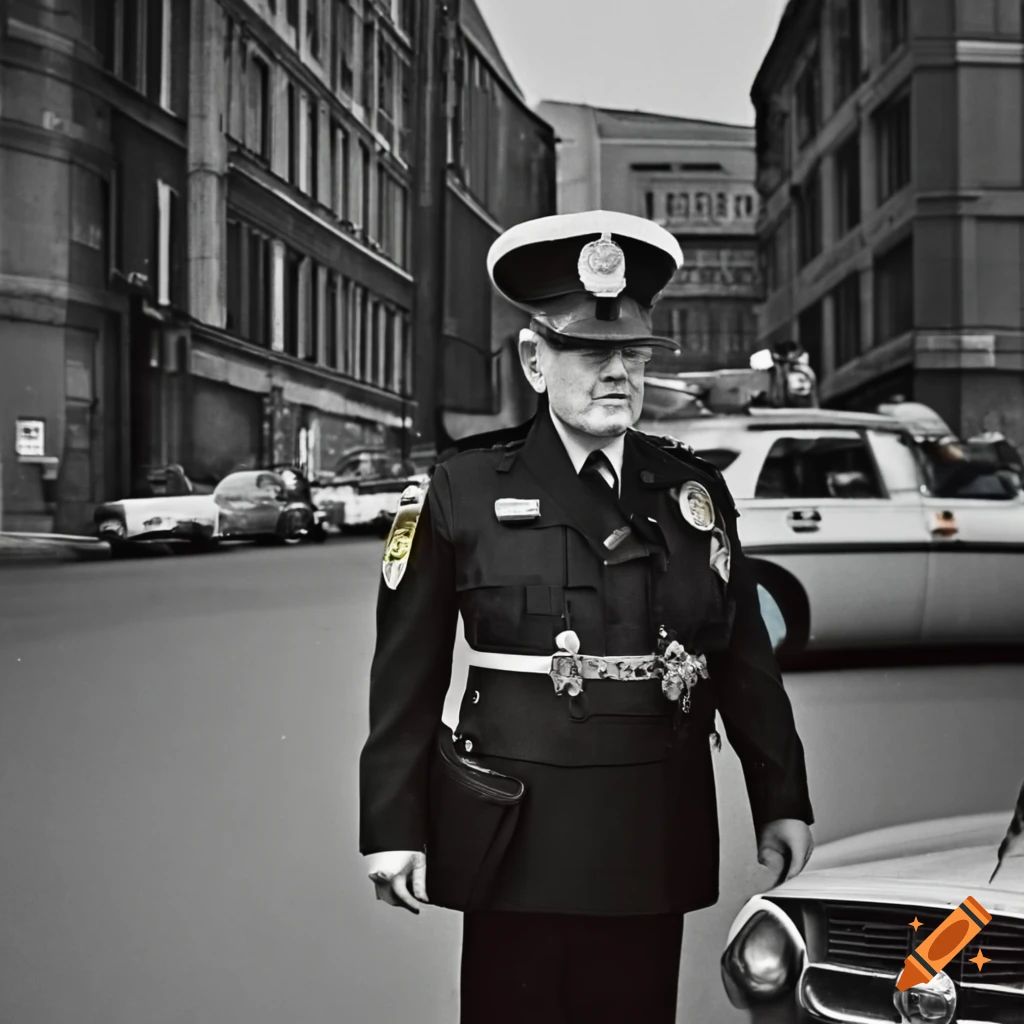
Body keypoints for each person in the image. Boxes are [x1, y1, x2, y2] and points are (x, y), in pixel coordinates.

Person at [358, 210, 815, 1024]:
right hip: (514, 820)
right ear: (536, 360)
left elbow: (742, 656)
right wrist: (393, 823)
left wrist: (782, 796)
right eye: (591, 352)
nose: (617, 373)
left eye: (632, 354)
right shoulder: (461, 489)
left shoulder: (691, 493)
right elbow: (406, 672)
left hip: (650, 819)